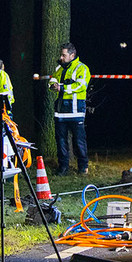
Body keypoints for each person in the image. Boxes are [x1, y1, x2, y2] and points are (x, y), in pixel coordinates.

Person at [50, 42, 90, 176]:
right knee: (60, 141)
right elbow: (52, 80)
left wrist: (62, 88)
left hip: (76, 111)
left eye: (64, 55)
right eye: (61, 55)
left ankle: (83, 168)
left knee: (79, 140)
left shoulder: (81, 68)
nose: (61, 57)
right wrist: (53, 85)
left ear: (72, 55)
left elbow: (81, 86)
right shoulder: (59, 68)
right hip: (60, 112)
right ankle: (63, 168)